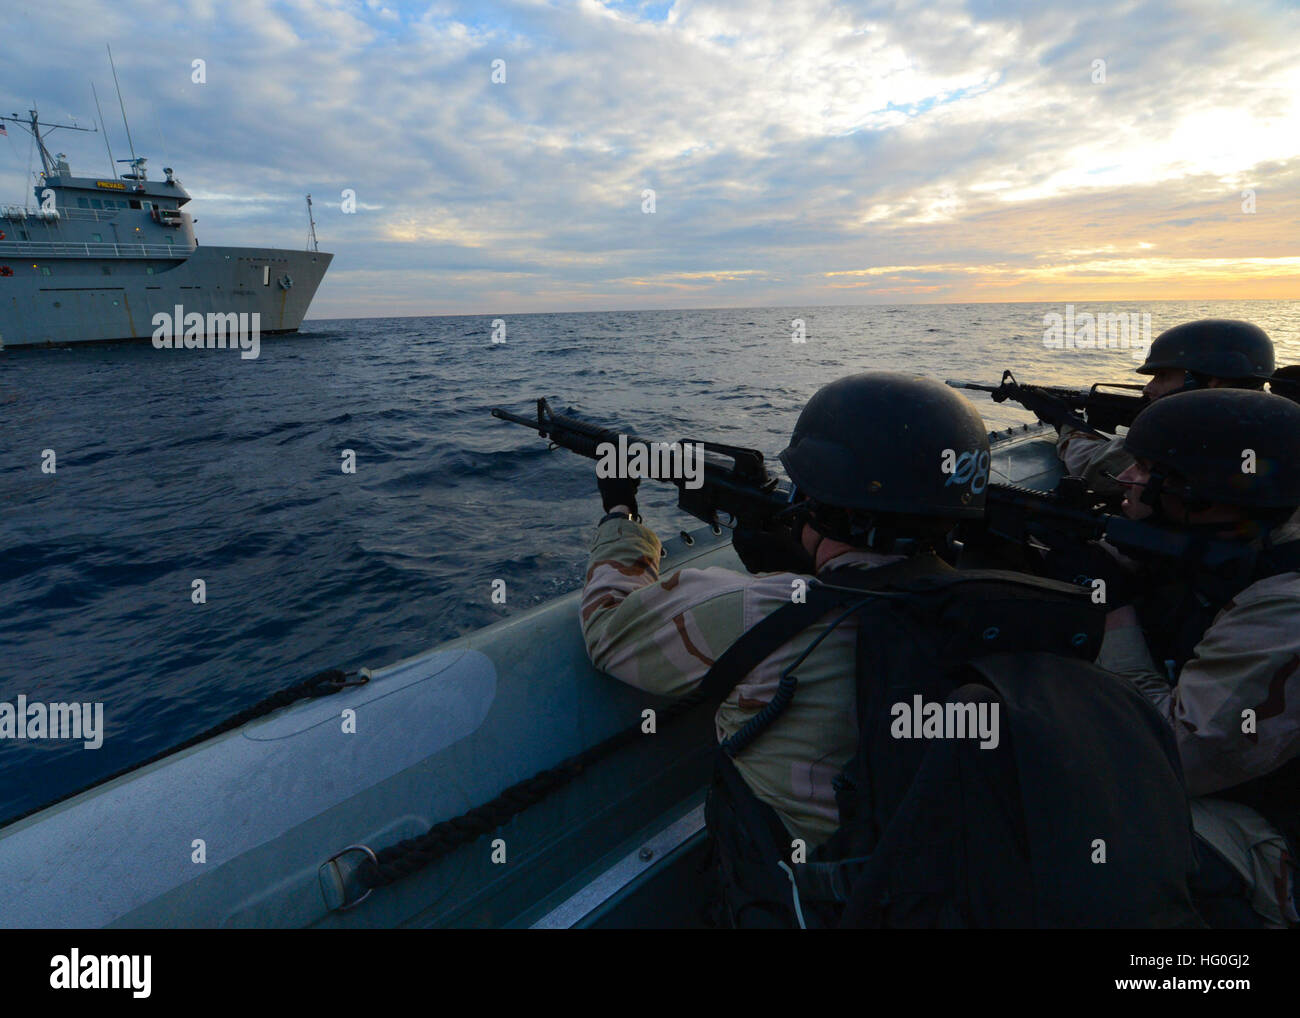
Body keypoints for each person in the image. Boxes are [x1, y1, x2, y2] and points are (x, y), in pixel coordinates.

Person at [580, 372, 1200, 927]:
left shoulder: (765, 611)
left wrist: (620, 508)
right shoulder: (1029, 611)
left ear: (814, 500)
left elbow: (609, 627)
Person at [1101, 387, 1300, 927]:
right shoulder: (1254, 539)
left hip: (1274, 835)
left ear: (1199, 492)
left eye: (1145, 469)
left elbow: (1172, 757)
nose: (1126, 480)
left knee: (1091, 815)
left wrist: (1112, 609)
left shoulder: (1284, 606)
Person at [1057, 319, 1274, 501]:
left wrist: (1067, 427)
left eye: (1162, 376)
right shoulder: (1270, 426)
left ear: (1211, 381)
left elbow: (1098, 467)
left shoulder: (1195, 443)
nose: (1147, 388)